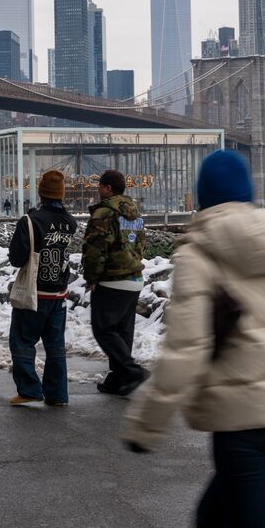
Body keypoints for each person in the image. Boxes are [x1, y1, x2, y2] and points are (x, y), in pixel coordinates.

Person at [122, 150, 265, 528]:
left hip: (243, 423)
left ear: (202, 196)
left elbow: (185, 351)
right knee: (213, 521)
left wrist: (145, 426)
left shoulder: (199, 253)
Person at [6, 170, 77, 406]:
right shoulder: (69, 223)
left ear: (41, 192)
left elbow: (17, 258)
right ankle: (57, 394)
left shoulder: (30, 221)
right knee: (55, 345)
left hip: (34, 292)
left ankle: (29, 390)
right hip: (59, 293)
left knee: (22, 340)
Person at [82, 169, 148, 396]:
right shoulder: (134, 212)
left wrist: (92, 277)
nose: (98, 189)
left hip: (112, 280)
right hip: (134, 278)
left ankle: (131, 371)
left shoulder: (105, 213)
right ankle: (118, 378)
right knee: (122, 331)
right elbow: (141, 244)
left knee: (103, 329)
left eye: (100, 185)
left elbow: (95, 249)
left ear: (108, 188)